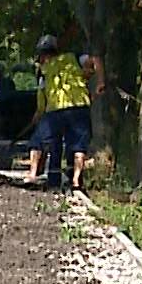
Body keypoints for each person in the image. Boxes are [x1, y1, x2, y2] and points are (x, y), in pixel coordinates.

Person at [24, 35, 104, 190]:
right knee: (78, 145)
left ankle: (34, 175)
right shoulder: (73, 58)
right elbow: (96, 59)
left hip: (55, 110)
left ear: (42, 55)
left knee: (41, 142)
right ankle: (75, 181)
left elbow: (42, 98)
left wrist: (38, 114)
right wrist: (100, 82)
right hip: (79, 107)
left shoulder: (43, 70)